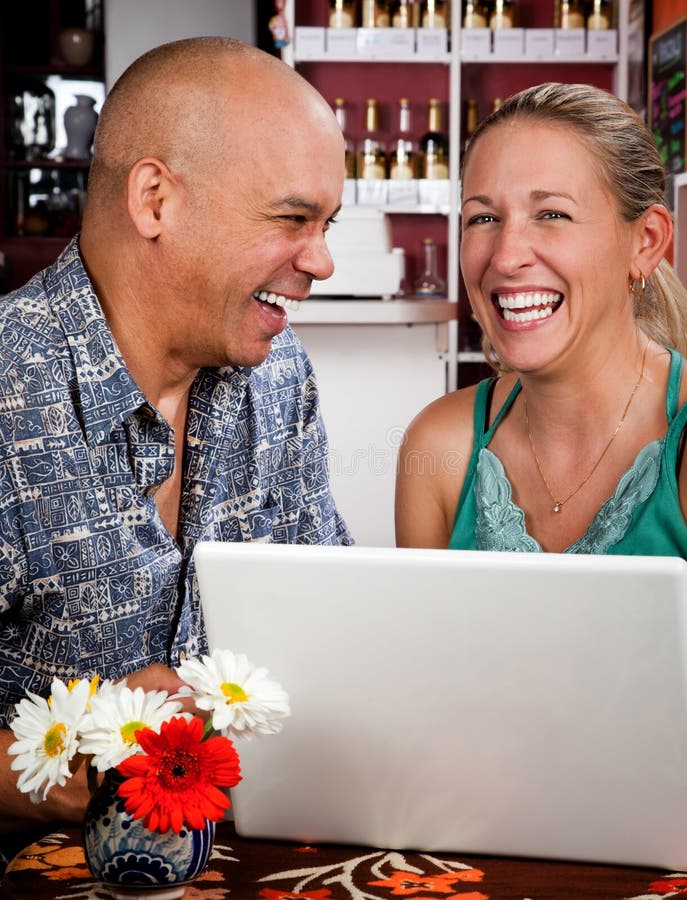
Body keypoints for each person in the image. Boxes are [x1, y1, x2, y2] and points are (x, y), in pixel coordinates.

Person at [0, 36, 351, 862]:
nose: (323, 260)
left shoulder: (280, 377)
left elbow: (333, 624)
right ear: (154, 199)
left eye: (326, 224)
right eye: (292, 218)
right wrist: (60, 771)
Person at [396, 81, 687, 556]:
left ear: (647, 241)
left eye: (552, 214)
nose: (506, 258)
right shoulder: (439, 446)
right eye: (483, 219)